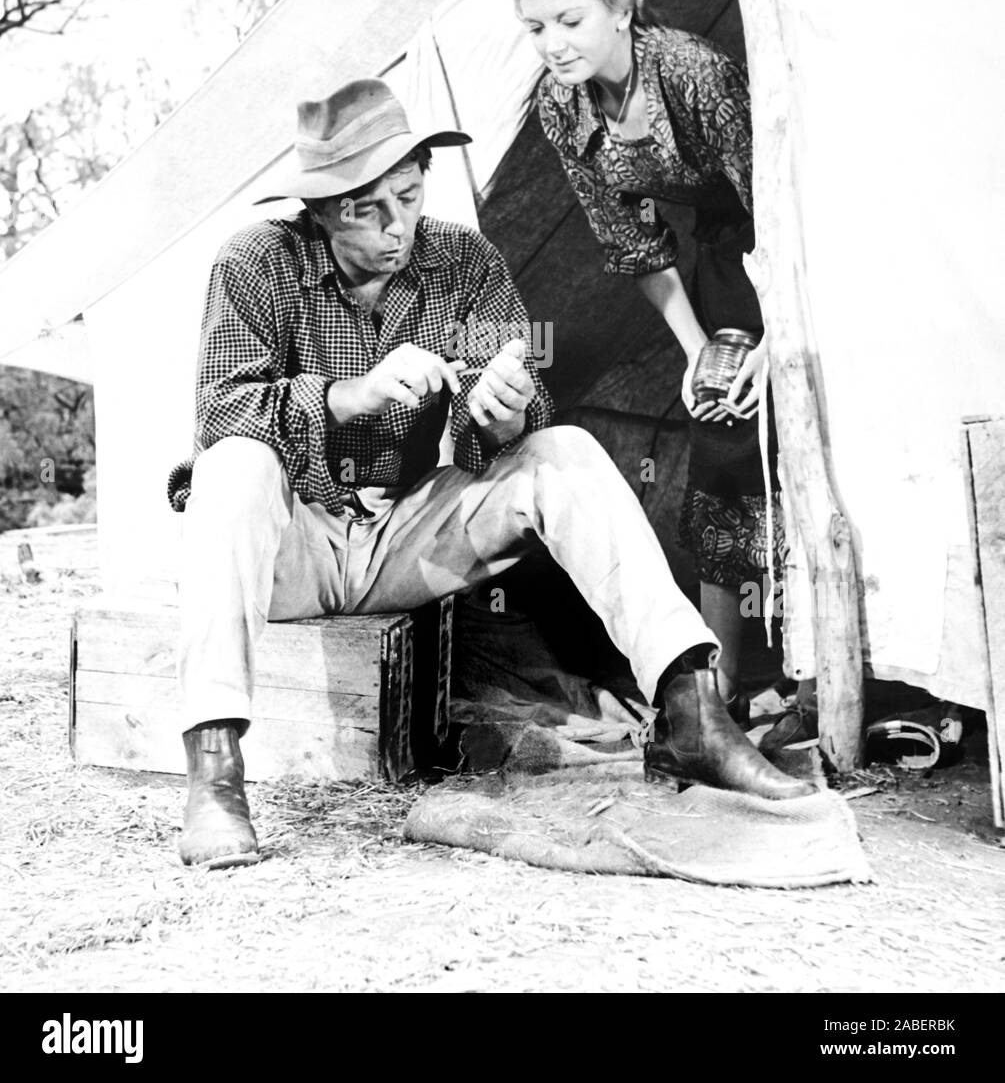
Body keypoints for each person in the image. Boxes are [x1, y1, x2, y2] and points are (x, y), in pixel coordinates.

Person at [167, 78, 813, 869]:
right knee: (229, 465)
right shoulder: (255, 261)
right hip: (291, 551)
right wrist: (352, 395)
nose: (397, 225)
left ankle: (689, 713)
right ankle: (216, 777)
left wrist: (501, 415)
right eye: (369, 210)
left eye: (408, 196)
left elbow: (515, 405)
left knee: (563, 449)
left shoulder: (462, 261)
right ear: (325, 208)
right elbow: (221, 413)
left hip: (408, 537)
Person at [506, 0, 783, 724]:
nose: (552, 45)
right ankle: (716, 694)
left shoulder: (693, 74)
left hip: (802, 253)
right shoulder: (561, 104)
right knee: (719, 434)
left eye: (570, 22)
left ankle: (830, 676)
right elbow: (632, 247)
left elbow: (790, 214)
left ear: (621, 8)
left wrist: (777, 343)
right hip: (722, 259)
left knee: (805, 436)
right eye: (534, 29)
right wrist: (703, 354)